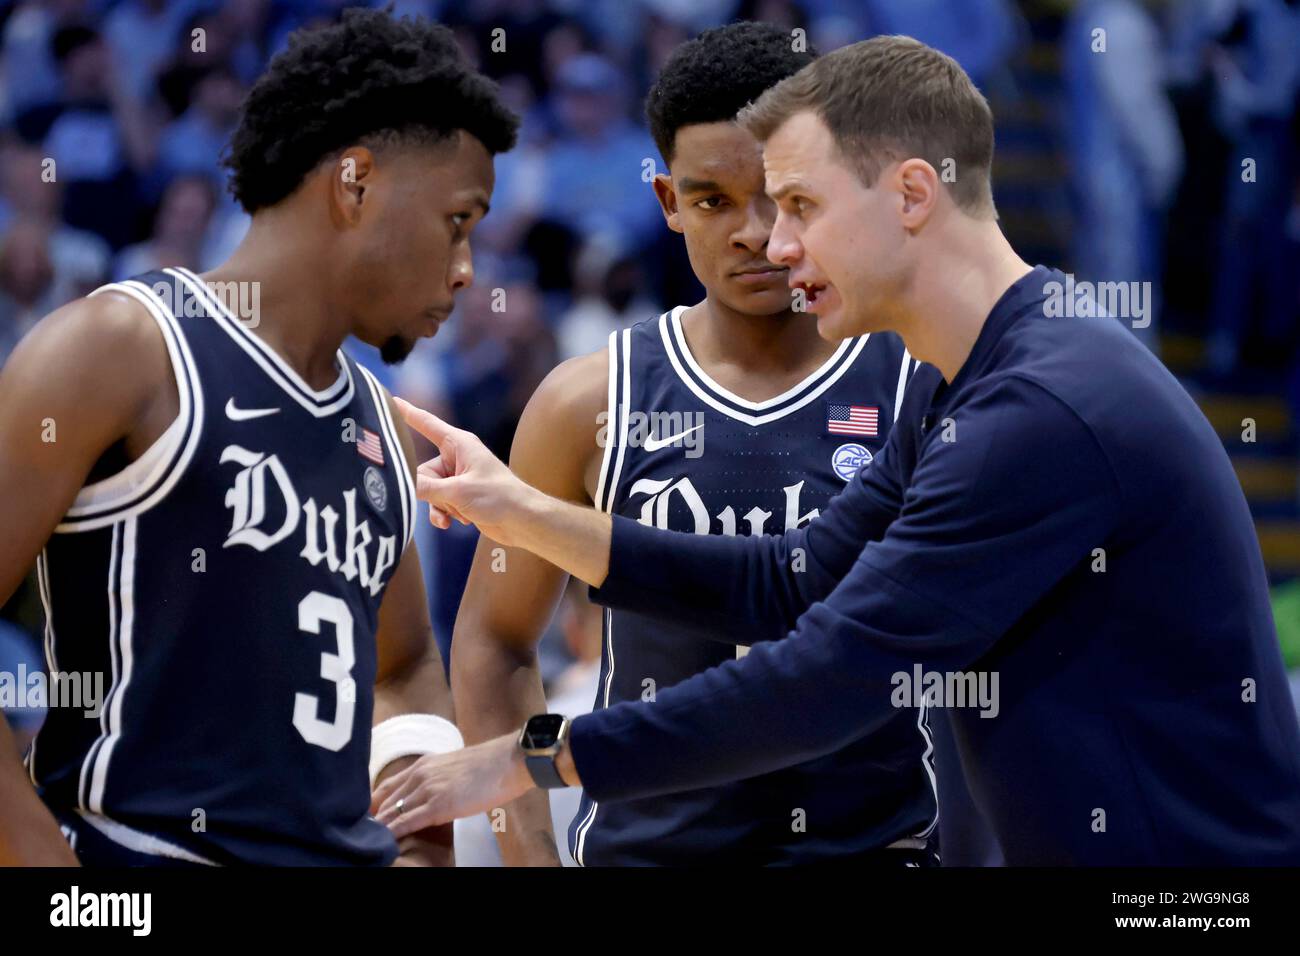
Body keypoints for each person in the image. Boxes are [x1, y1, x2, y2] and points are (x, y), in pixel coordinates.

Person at [375, 36, 1300, 865]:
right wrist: (527, 514)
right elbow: (790, 579)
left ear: (909, 195)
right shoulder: (970, 375)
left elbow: (828, 678)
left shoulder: (1035, 409)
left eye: (800, 205)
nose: (774, 243)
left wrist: (534, 758)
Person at [0, 9, 518, 866]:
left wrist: (425, 845)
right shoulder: (124, 348)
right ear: (355, 185)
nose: (466, 269)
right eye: (458, 222)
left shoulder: (385, 431)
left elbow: (402, 665)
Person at [450, 22, 933, 867]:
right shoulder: (588, 400)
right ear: (670, 203)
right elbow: (495, 639)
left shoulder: (916, 380)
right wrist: (527, 857)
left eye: (781, 197)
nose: (752, 232)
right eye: (713, 200)